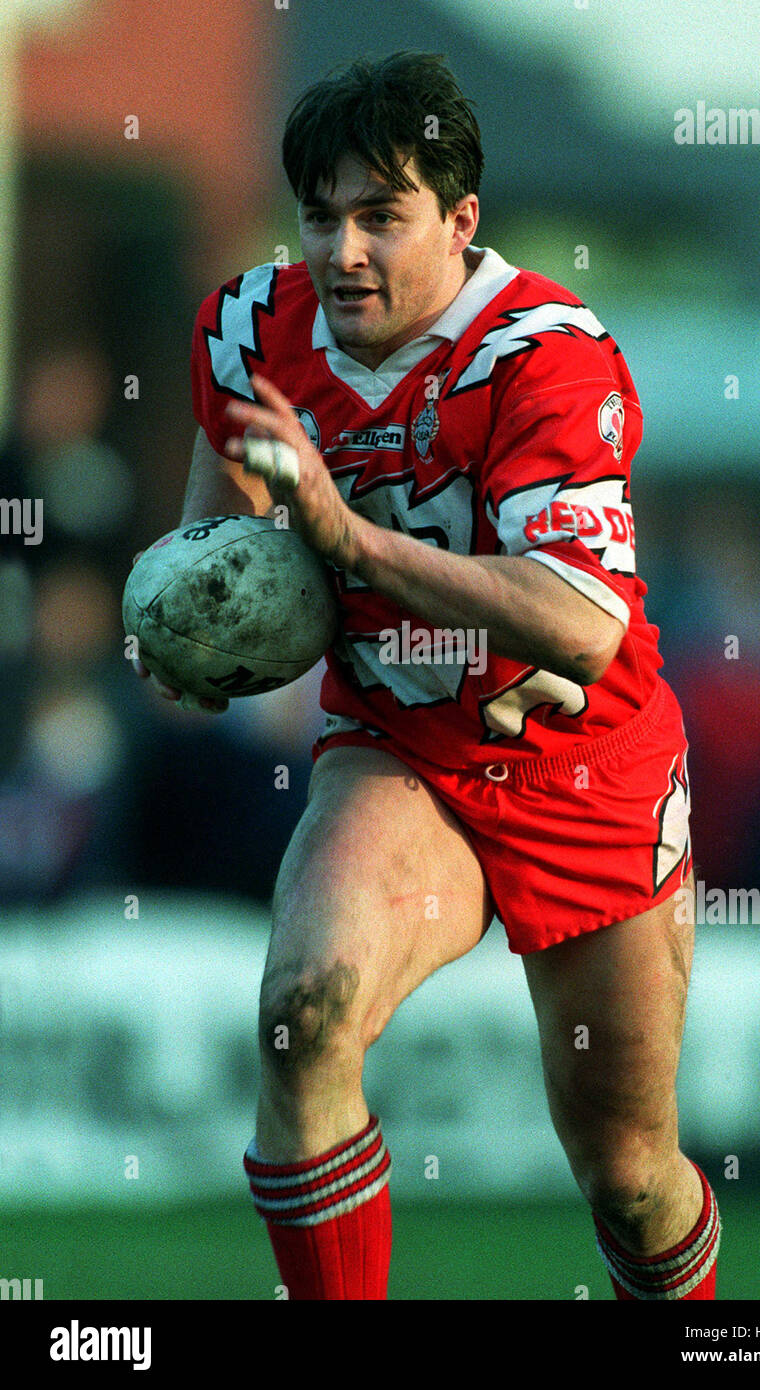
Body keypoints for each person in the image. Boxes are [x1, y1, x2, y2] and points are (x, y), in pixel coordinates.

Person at [134, 50, 718, 1301]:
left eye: (380, 216)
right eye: (320, 214)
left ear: (458, 222)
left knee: (626, 1170)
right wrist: (192, 640)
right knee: (306, 1004)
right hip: (403, 750)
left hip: (585, 764)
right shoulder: (249, 328)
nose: (342, 250)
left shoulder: (544, 355)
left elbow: (580, 626)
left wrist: (350, 544)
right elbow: (215, 535)